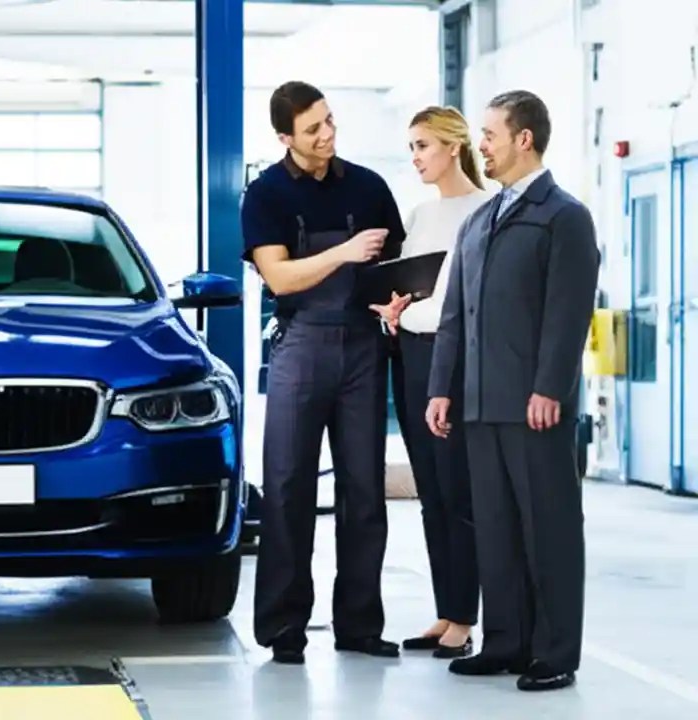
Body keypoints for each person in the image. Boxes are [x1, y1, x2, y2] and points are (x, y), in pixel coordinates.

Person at [425, 90, 599, 691]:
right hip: (478, 403)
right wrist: (441, 388)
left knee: (548, 527)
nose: (482, 147)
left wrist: (551, 386)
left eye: (490, 135)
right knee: (495, 529)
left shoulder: (564, 216)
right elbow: (456, 312)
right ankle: (506, 641)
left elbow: (569, 311)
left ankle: (554, 652)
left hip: (534, 407)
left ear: (524, 138)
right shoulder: (482, 218)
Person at [241, 80, 406, 665]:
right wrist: (343, 251)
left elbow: (396, 269)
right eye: (313, 129)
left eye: (330, 121)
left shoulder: (369, 186)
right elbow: (280, 279)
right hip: (301, 347)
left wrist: (398, 301)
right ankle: (284, 627)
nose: (328, 135)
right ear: (285, 137)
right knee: (288, 489)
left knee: (365, 490)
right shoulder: (265, 195)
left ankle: (360, 625)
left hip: (364, 348)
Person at [371, 106, 490, 659]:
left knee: (458, 488)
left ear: (452, 146)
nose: (415, 158)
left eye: (422, 145)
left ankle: (466, 616)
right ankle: (447, 611)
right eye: (411, 147)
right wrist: (393, 312)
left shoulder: (488, 210)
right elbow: (415, 290)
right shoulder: (420, 216)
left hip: (455, 359)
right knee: (429, 494)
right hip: (410, 355)